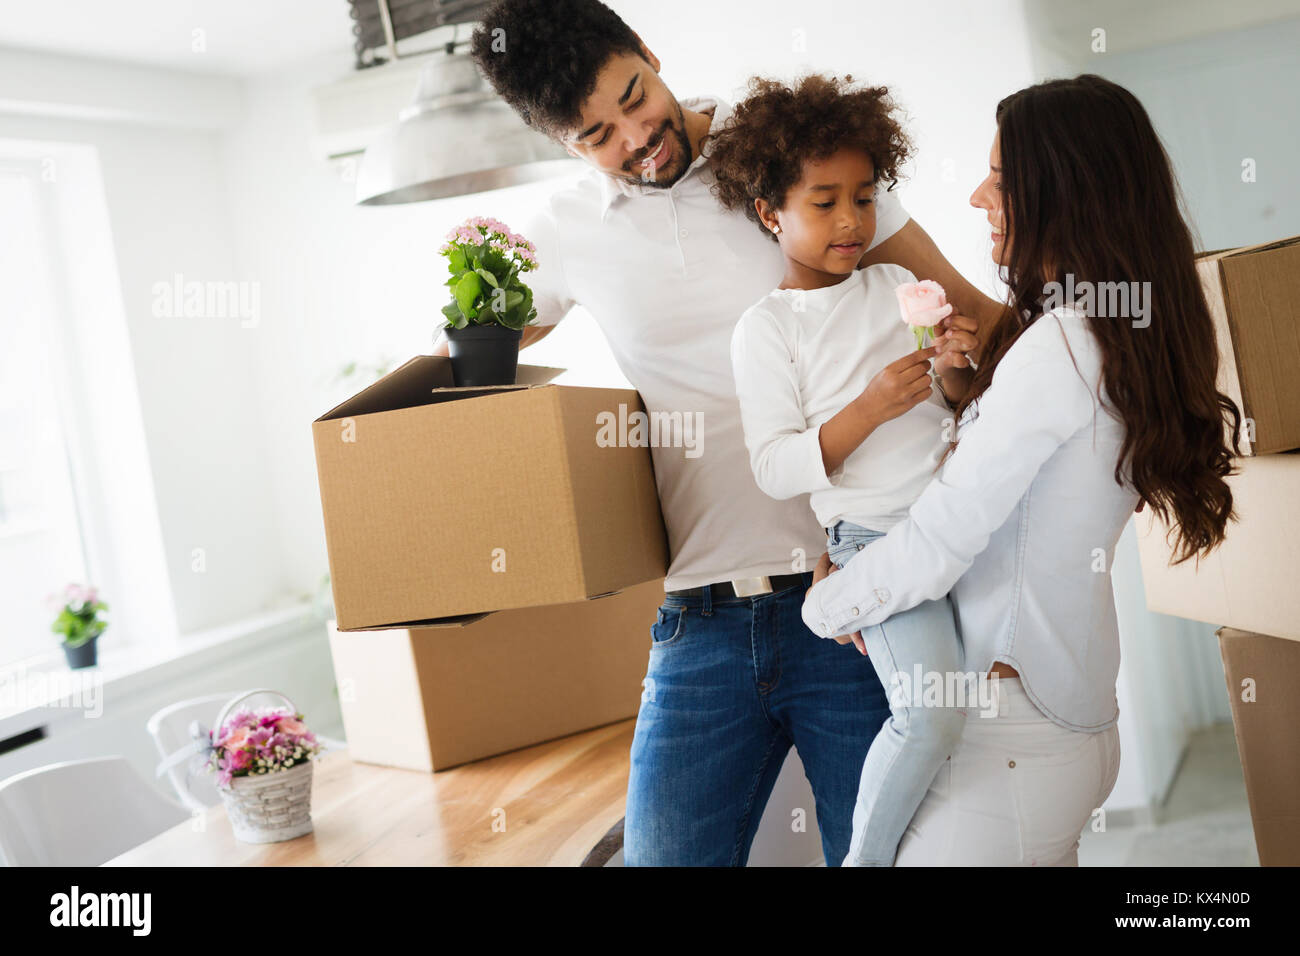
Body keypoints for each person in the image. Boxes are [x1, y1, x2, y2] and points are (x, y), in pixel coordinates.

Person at [466, 0, 1000, 866]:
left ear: (648, 51)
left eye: (635, 97)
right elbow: (467, 370)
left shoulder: (792, 161)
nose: (636, 138)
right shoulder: (566, 236)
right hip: (699, 621)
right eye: (598, 135)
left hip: (853, 603)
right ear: (564, 144)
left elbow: (966, 310)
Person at [801, 73, 1243, 865]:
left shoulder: (1062, 345)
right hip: (1064, 721)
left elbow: (945, 535)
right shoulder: (1116, 331)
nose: (978, 197)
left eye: (1000, 180)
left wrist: (827, 607)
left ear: (1062, 192)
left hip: (1008, 741)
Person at [714, 74, 975, 867]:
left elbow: (953, 406)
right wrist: (866, 407)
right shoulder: (766, 329)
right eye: (824, 201)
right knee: (930, 716)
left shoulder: (898, 286)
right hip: (876, 543)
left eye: (864, 198)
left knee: (986, 720)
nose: (851, 220)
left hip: (958, 523)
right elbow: (772, 466)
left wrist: (957, 369)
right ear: (770, 214)